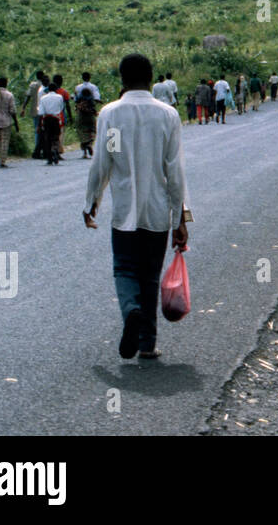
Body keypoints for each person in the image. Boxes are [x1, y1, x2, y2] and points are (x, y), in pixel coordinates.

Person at [82, 53, 192, 361]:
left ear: (122, 79)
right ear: (150, 76)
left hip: (124, 213)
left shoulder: (111, 114)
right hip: (157, 213)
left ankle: (130, 310)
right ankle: (147, 343)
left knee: (124, 269)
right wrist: (180, 220)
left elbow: (103, 162)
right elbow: (175, 172)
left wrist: (91, 203)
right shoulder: (168, 115)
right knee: (150, 277)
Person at [0, 76, 19, 167]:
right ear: (6, 83)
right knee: (5, 141)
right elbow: (12, 111)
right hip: (5, 121)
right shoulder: (9, 95)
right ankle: (2, 161)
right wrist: (16, 123)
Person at [20, 70, 49, 159]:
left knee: (37, 129)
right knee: (45, 130)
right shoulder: (46, 85)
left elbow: (27, 97)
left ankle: (38, 149)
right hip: (46, 110)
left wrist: (23, 108)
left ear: (36, 76)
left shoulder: (33, 85)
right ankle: (44, 149)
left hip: (35, 110)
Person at [74, 72, 102, 158]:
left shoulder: (78, 87)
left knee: (81, 130)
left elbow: (75, 100)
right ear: (90, 77)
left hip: (81, 112)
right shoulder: (94, 87)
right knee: (92, 129)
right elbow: (97, 99)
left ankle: (85, 152)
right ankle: (90, 143)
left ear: (82, 77)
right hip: (90, 112)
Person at [37, 83, 66, 164]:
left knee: (47, 138)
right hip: (56, 119)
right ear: (56, 89)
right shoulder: (59, 97)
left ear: (48, 89)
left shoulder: (43, 98)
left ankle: (49, 157)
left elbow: (41, 112)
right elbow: (61, 108)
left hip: (47, 119)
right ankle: (55, 150)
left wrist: (39, 125)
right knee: (56, 137)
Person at [50, 74, 74, 159]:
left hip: (49, 116)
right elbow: (67, 106)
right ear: (61, 81)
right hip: (61, 116)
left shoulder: (48, 91)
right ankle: (58, 151)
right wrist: (71, 117)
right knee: (60, 134)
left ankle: (52, 150)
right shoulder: (64, 92)